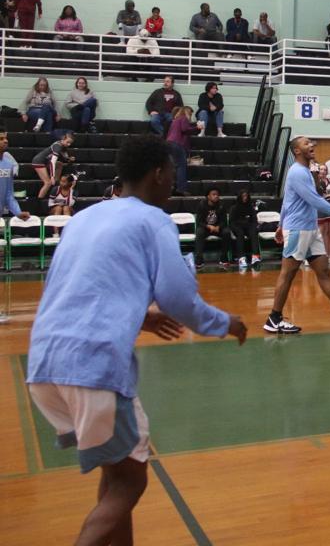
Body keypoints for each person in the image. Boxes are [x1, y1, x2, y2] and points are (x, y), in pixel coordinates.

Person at [25, 136, 247, 546]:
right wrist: (225, 323)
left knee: (117, 472)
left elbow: (75, 287)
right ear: (158, 173)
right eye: (172, 173)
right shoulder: (153, 219)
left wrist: (140, 318)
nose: (173, 181)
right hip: (93, 365)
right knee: (130, 483)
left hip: (44, 364)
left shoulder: (87, 217)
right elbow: (179, 298)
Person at [264, 136, 330, 333]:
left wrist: (279, 224)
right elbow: (313, 199)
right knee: (287, 274)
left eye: (311, 143)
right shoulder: (297, 172)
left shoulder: (304, 172)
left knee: (323, 271)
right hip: (298, 229)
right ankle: (274, 318)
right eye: (306, 143)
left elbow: (287, 199)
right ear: (296, 151)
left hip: (310, 230)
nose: (311, 145)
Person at [165, 107, 201, 195]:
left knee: (174, 166)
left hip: (169, 142)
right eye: (191, 114)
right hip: (177, 143)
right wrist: (197, 128)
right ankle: (181, 189)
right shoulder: (184, 118)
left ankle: (171, 187)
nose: (191, 116)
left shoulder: (175, 120)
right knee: (181, 167)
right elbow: (185, 130)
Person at [195, 187, 233, 268]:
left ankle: (223, 258)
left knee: (226, 232)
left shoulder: (221, 205)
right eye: (213, 194)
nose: (216, 196)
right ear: (208, 196)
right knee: (199, 232)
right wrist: (208, 226)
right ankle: (199, 259)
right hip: (206, 228)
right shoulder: (201, 205)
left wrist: (218, 226)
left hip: (217, 228)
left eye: (217, 195)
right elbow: (199, 222)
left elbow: (224, 221)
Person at [31, 132, 75, 200]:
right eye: (67, 142)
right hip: (38, 162)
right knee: (47, 183)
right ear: (63, 139)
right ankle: (39, 201)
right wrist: (52, 176)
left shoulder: (63, 147)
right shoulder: (57, 146)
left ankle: (56, 183)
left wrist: (70, 159)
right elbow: (52, 162)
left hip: (45, 162)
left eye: (70, 143)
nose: (69, 144)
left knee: (59, 164)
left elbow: (65, 158)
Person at [0, 132, 31, 222]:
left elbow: (9, 194)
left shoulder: (9, 164)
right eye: (1, 139)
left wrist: (18, 212)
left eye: (6, 138)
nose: (5, 141)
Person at [227, 189, 261, 270]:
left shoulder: (250, 207)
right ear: (240, 197)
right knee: (240, 233)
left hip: (248, 226)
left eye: (246, 196)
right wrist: (239, 226)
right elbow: (231, 222)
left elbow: (254, 220)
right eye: (243, 196)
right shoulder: (234, 207)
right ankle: (241, 258)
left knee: (254, 231)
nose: (245, 198)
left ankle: (255, 256)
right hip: (237, 227)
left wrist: (253, 226)